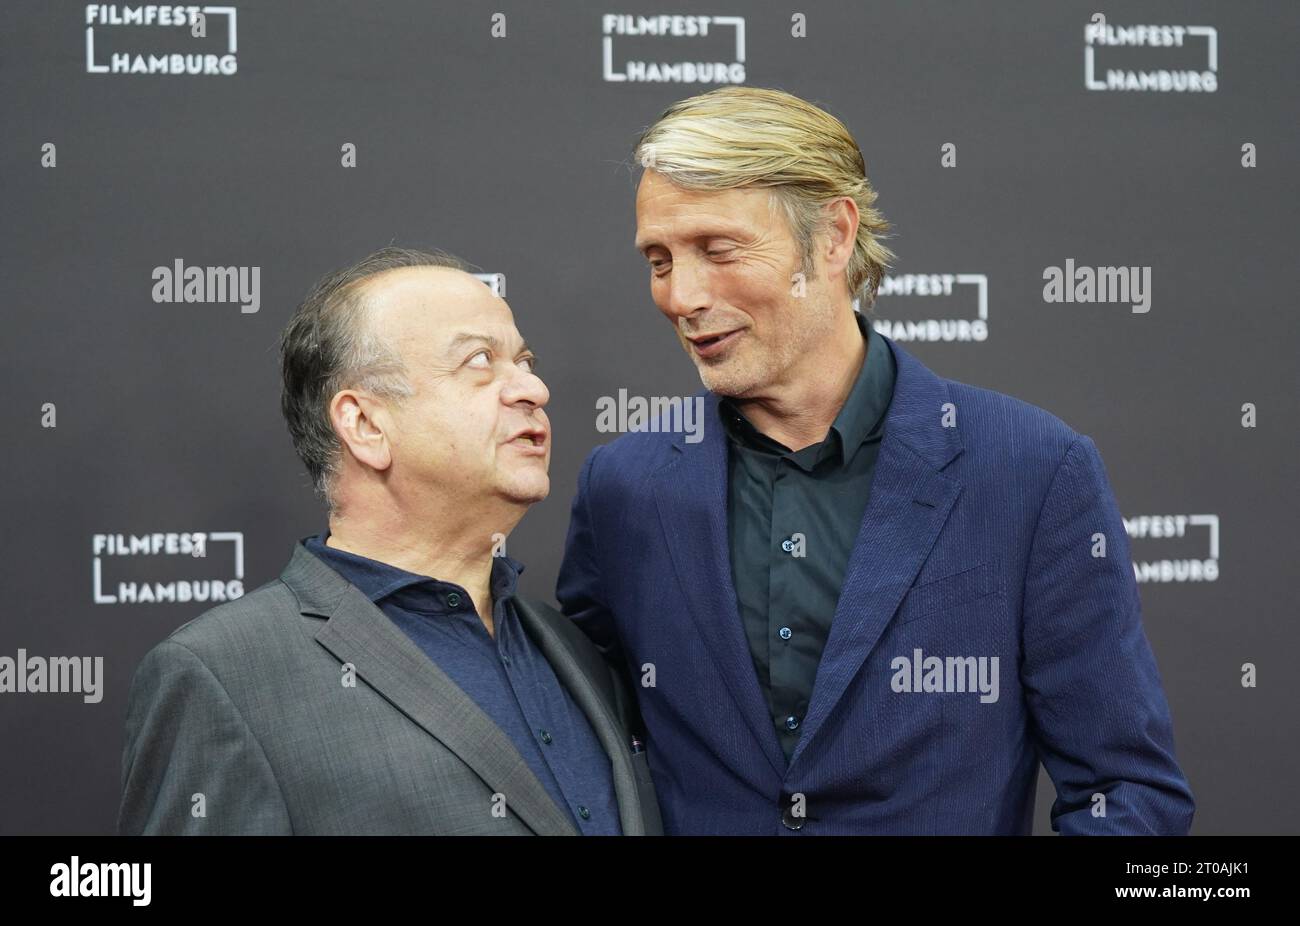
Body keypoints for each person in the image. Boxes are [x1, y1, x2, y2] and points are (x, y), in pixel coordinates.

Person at [557, 87, 1193, 835]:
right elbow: (579, 756)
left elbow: (1127, 794)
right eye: (659, 260)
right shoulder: (623, 487)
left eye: (718, 250)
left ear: (832, 236)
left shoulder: (1029, 468)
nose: (682, 295)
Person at [119, 247, 661, 835]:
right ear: (365, 425)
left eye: (525, 361)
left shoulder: (574, 648)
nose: (532, 388)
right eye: (481, 360)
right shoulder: (224, 675)